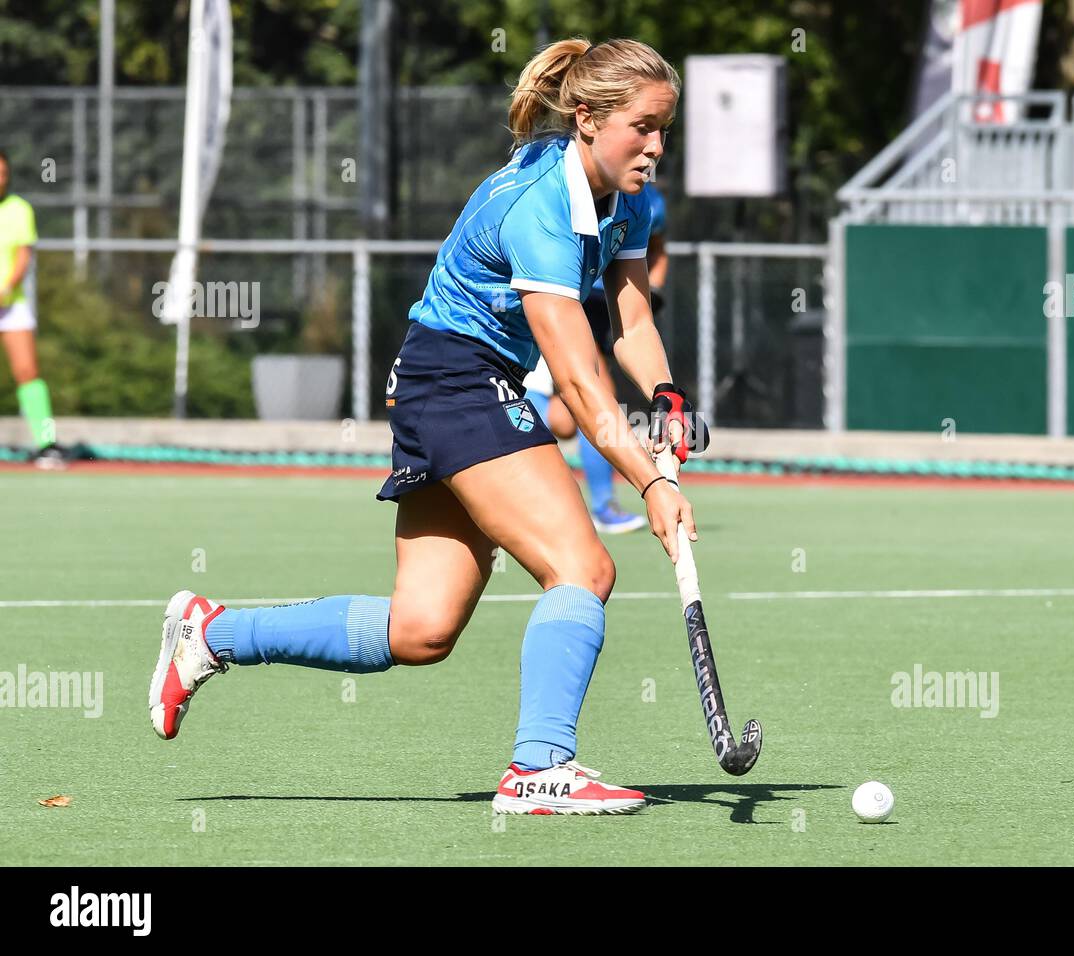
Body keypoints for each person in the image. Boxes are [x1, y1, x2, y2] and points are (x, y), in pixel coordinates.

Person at [147, 37, 708, 816]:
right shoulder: (539, 205)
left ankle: (212, 634)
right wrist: (649, 480)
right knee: (584, 566)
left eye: (665, 129)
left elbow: (631, 309)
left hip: (459, 383)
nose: (655, 146)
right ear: (587, 116)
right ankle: (539, 768)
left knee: (420, 629)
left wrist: (667, 395)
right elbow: (577, 378)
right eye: (643, 126)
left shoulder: (634, 196)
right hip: (453, 380)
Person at [523, 179, 669, 533]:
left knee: (564, 419)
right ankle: (604, 505)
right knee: (599, 393)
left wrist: (655, 288)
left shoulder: (647, 200)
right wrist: (653, 484)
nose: (653, 149)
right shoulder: (559, 187)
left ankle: (518, 409)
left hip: (610, 305)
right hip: (569, 298)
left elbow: (658, 247)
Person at [0, 149, 67, 469]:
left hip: (10, 307)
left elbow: (23, 256)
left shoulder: (19, 209)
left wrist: (7, 287)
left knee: (28, 372)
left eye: (2, 174)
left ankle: (47, 444)